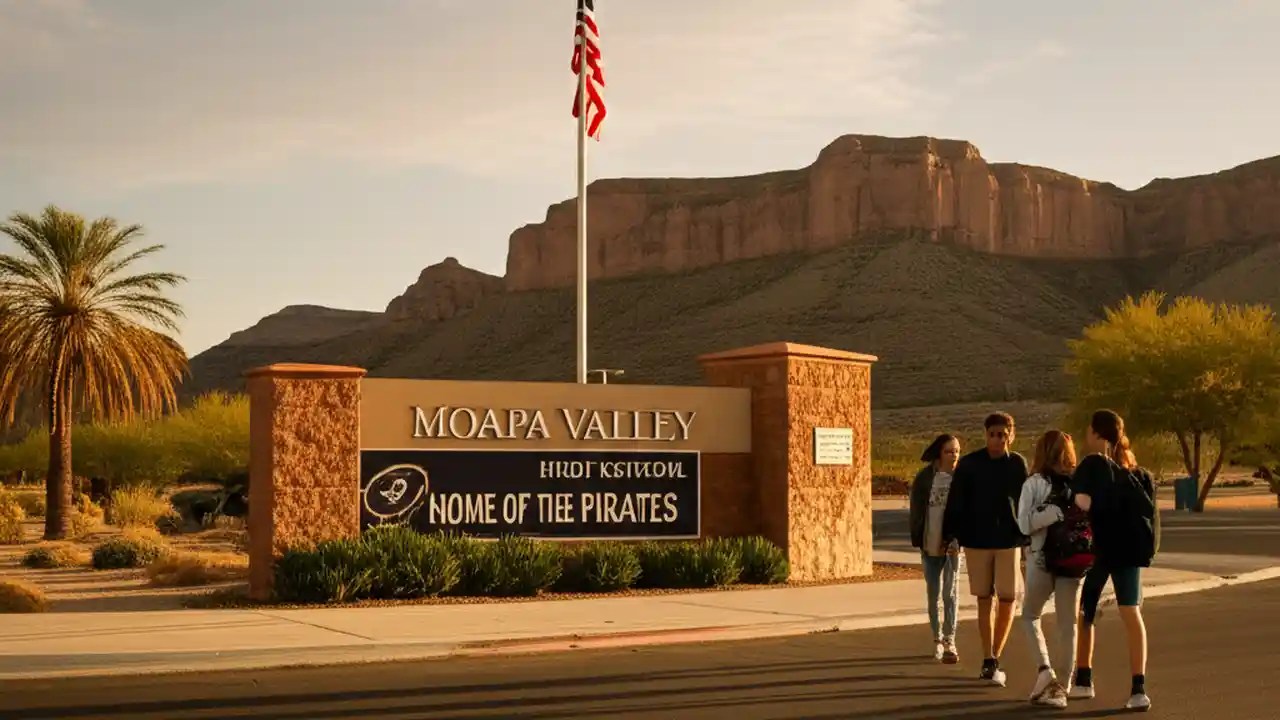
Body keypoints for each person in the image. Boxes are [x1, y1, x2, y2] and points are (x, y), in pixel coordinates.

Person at [1069, 409, 1158, 712]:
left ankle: (1083, 679)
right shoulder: (1135, 473)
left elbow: (1081, 503)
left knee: (1087, 612)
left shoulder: (1091, 465)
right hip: (1129, 552)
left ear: (1096, 433)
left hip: (1100, 551)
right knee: (1131, 613)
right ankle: (1138, 687)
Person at [943, 412, 1029, 687]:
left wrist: (1027, 535)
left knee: (1007, 599)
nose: (996, 439)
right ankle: (987, 656)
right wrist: (951, 536)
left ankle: (995, 657)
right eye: (992, 434)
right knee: (984, 598)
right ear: (986, 435)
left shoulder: (1017, 464)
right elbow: (956, 502)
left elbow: (1025, 502)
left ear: (1010, 436)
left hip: (1008, 541)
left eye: (1002, 434)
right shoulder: (969, 465)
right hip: (977, 540)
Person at [1016, 430, 1084, 708]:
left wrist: (1048, 515)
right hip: (1076, 561)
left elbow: (1023, 525)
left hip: (1041, 560)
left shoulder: (1033, 484)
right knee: (1068, 624)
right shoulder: (1079, 482)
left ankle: (1046, 673)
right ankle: (1063, 687)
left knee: (1030, 616)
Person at [909, 434, 962, 664]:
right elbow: (916, 511)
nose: (954, 455)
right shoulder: (925, 478)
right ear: (940, 453)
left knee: (950, 593)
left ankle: (950, 639)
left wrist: (960, 537)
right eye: (949, 451)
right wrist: (917, 537)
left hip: (952, 543)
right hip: (930, 541)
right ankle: (937, 638)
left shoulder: (961, 478)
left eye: (957, 451)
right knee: (934, 593)